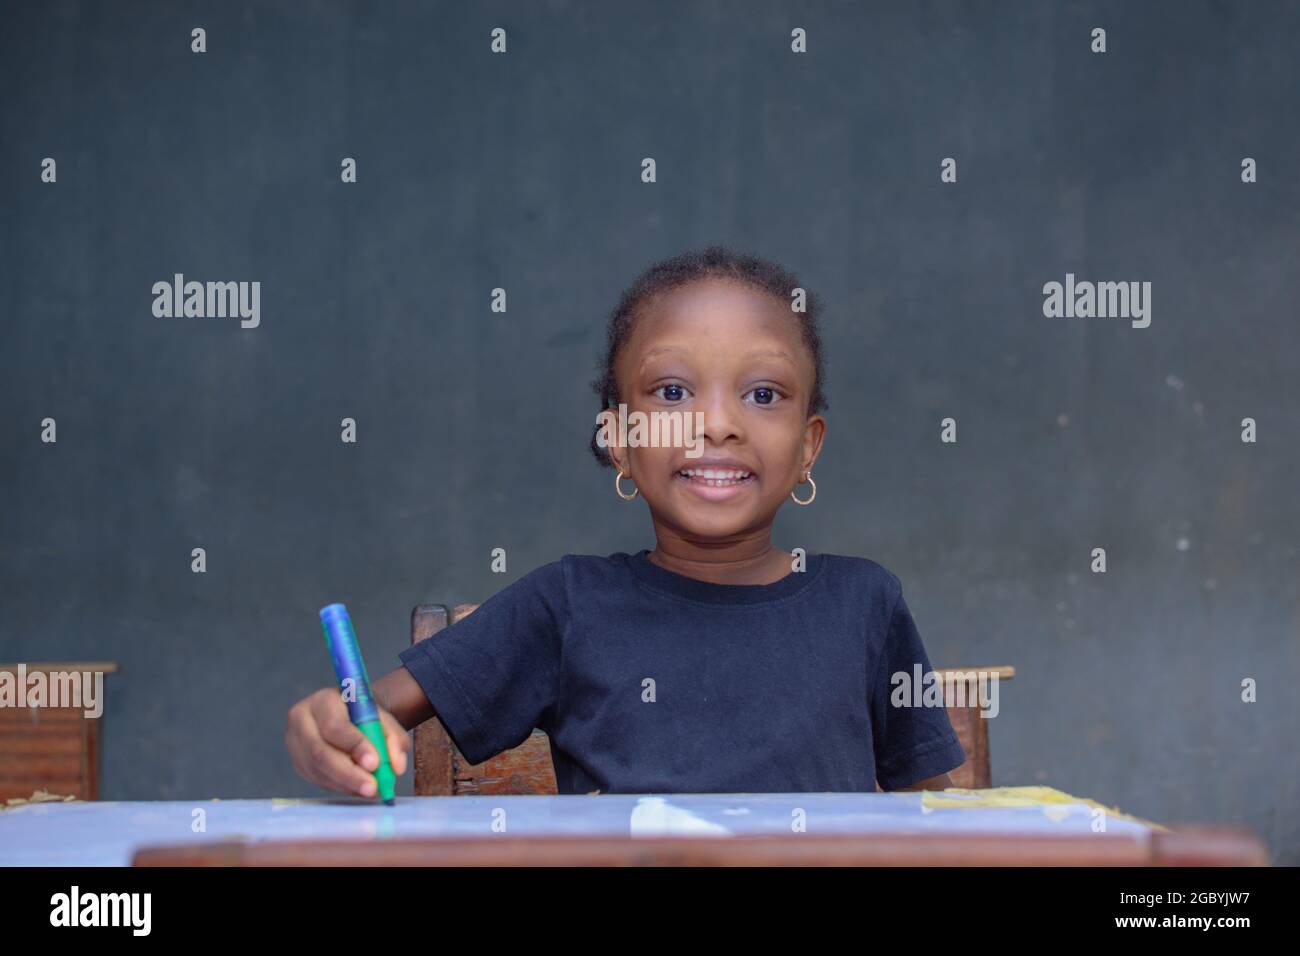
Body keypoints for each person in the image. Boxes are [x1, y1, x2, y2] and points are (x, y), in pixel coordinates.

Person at [286, 245, 966, 796]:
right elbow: (361, 711)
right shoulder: (569, 605)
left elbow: (935, 817)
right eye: (672, 392)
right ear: (619, 436)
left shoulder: (864, 604)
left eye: (763, 393)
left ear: (808, 445)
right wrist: (326, 727)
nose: (718, 425)